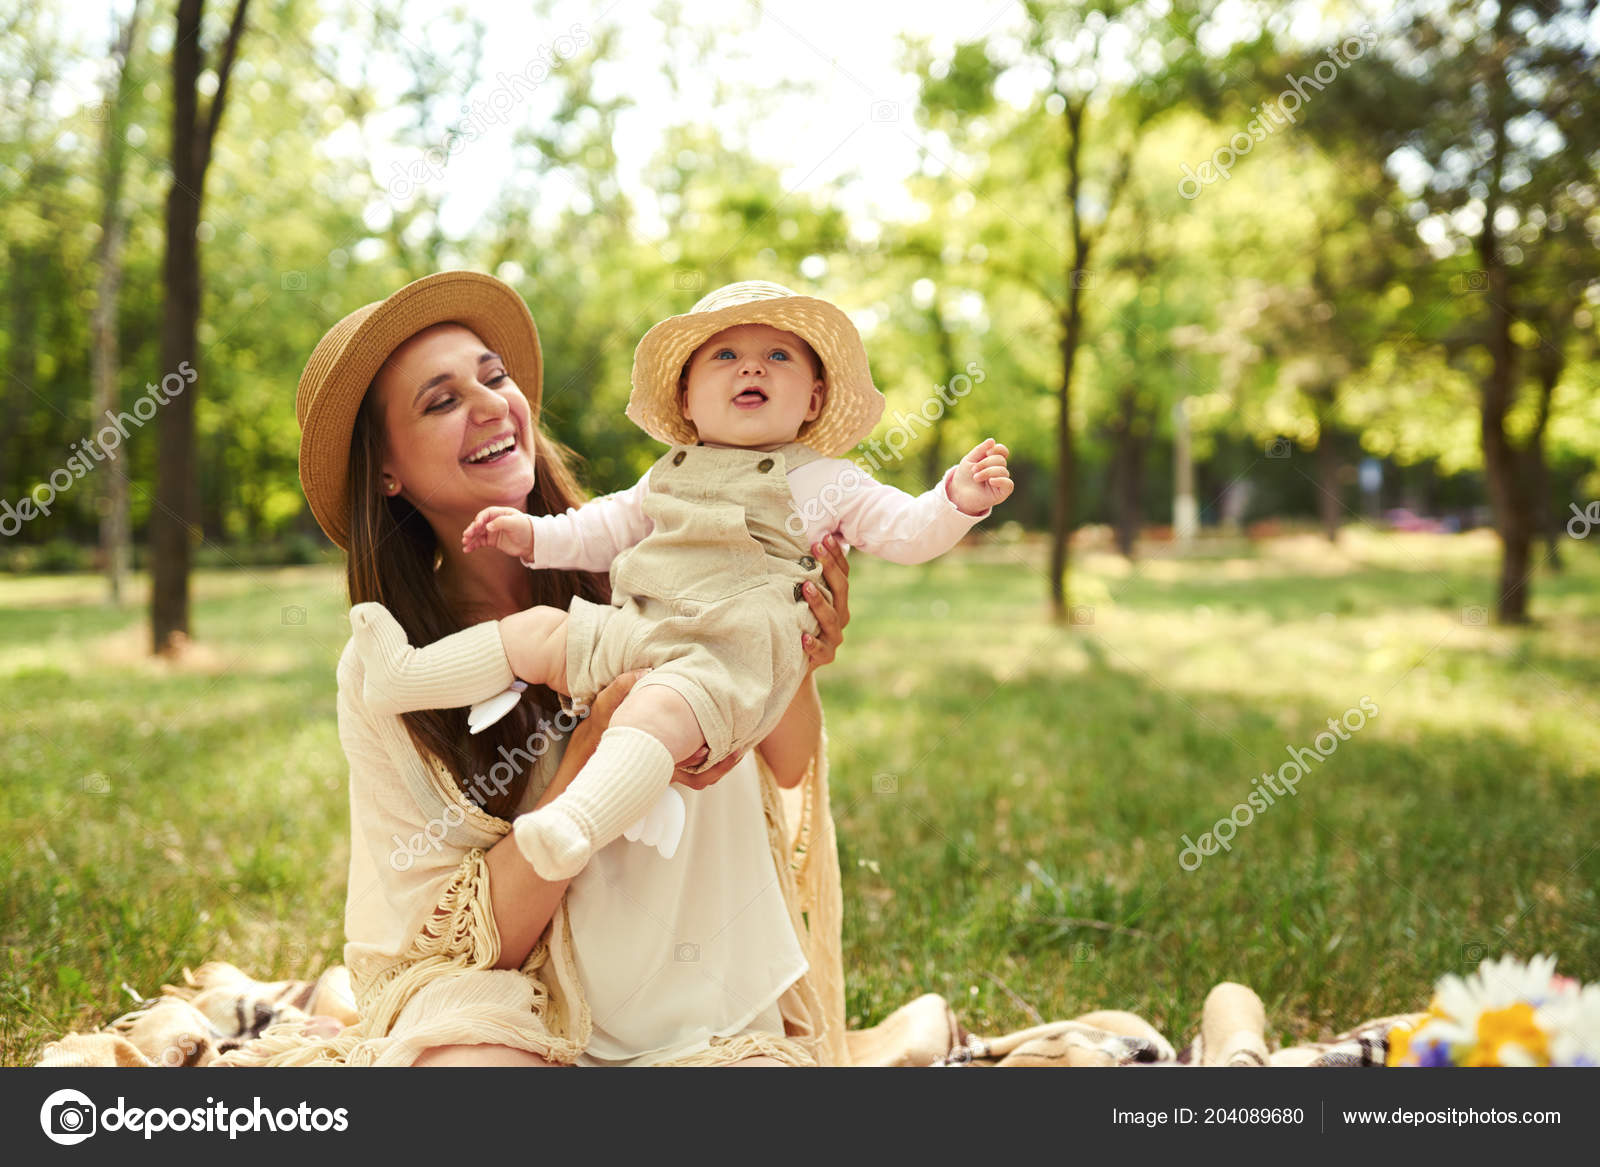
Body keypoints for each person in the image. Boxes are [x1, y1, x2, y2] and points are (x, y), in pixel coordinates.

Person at [220, 271, 853, 1067]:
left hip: (691, 989)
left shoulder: (654, 551)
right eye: (441, 401)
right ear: (386, 471)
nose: (490, 405)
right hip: (510, 991)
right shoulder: (394, 668)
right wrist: (589, 750)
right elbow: (471, 946)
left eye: (494, 377)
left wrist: (794, 651)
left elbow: (787, 765)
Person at [346, 281, 1013, 884]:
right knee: (539, 634)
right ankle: (406, 675)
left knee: (658, 709)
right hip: (640, 632)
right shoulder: (667, 475)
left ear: (814, 399)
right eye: (725, 355)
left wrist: (955, 499)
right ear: (687, 399)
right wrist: (534, 537)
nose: (752, 367)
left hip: (716, 661)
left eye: (779, 356)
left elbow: (905, 529)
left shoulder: (823, 481)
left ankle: (573, 821)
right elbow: (600, 525)